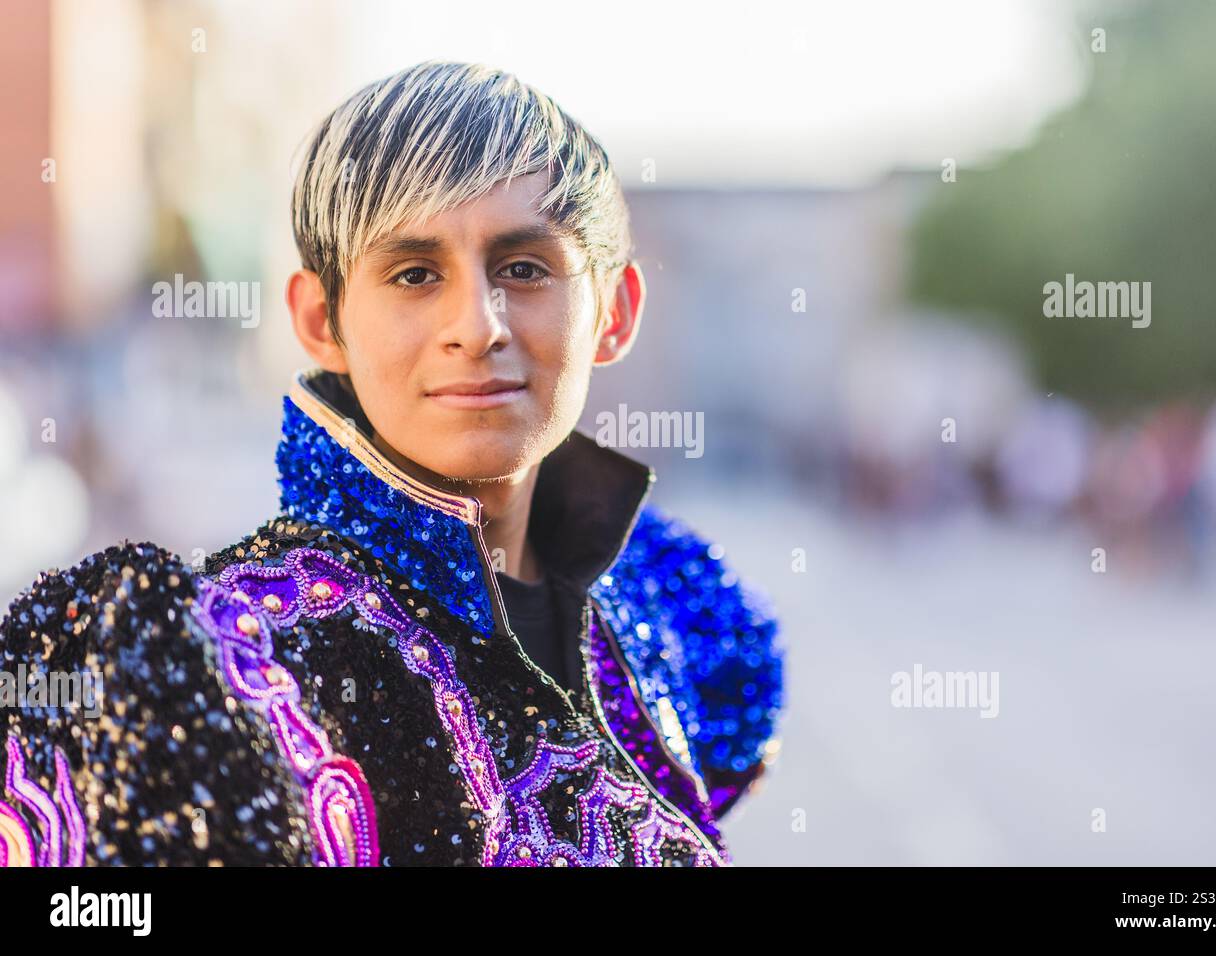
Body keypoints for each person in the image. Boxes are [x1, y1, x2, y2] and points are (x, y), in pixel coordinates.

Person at [0, 61, 783, 867]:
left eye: (523, 268)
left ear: (613, 313)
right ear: (321, 319)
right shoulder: (224, 668)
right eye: (414, 274)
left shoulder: (664, 602)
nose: (476, 327)